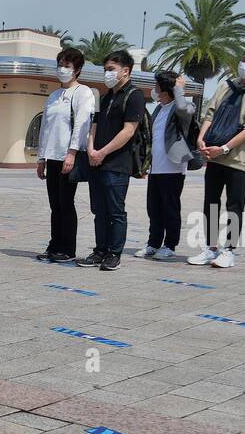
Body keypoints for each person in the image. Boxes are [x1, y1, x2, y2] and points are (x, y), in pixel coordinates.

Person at [188, 43, 245, 268]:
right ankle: (209, 248)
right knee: (211, 203)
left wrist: (224, 148)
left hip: (237, 160)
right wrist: (201, 139)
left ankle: (229, 250)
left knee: (234, 206)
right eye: (244, 59)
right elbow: (211, 112)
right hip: (213, 155)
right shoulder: (227, 86)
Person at [82, 50, 145, 271]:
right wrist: (91, 149)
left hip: (117, 164)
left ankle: (114, 254)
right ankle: (100, 251)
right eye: (105, 69)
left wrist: (103, 152)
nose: (107, 73)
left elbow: (128, 131)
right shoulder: (106, 96)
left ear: (125, 71)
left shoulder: (134, 95)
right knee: (99, 210)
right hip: (96, 162)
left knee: (115, 211)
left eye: (111, 69)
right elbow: (94, 126)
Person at [36, 46, 94, 264]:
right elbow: (45, 128)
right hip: (51, 156)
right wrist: (41, 158)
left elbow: (82, 125)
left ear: (77, 70)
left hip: (68, 156)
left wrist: (71, 153)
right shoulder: (53, 96)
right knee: (55, 205)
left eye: (67, 66)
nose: (62, 69)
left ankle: (68, 249)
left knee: (66, 202)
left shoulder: (83, 93)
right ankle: (55, 245)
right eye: (60, 65)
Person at [141, 71, 197, 261]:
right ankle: (153, 243)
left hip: (173, 168)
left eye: (156, 86)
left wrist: (179, 90)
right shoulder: (159, 108)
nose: (154, 90)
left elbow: (183, 110)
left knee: (170, 208)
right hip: (156, 168)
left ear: (165, 89)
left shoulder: (184, 105)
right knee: (153, 208)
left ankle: (170, 245)